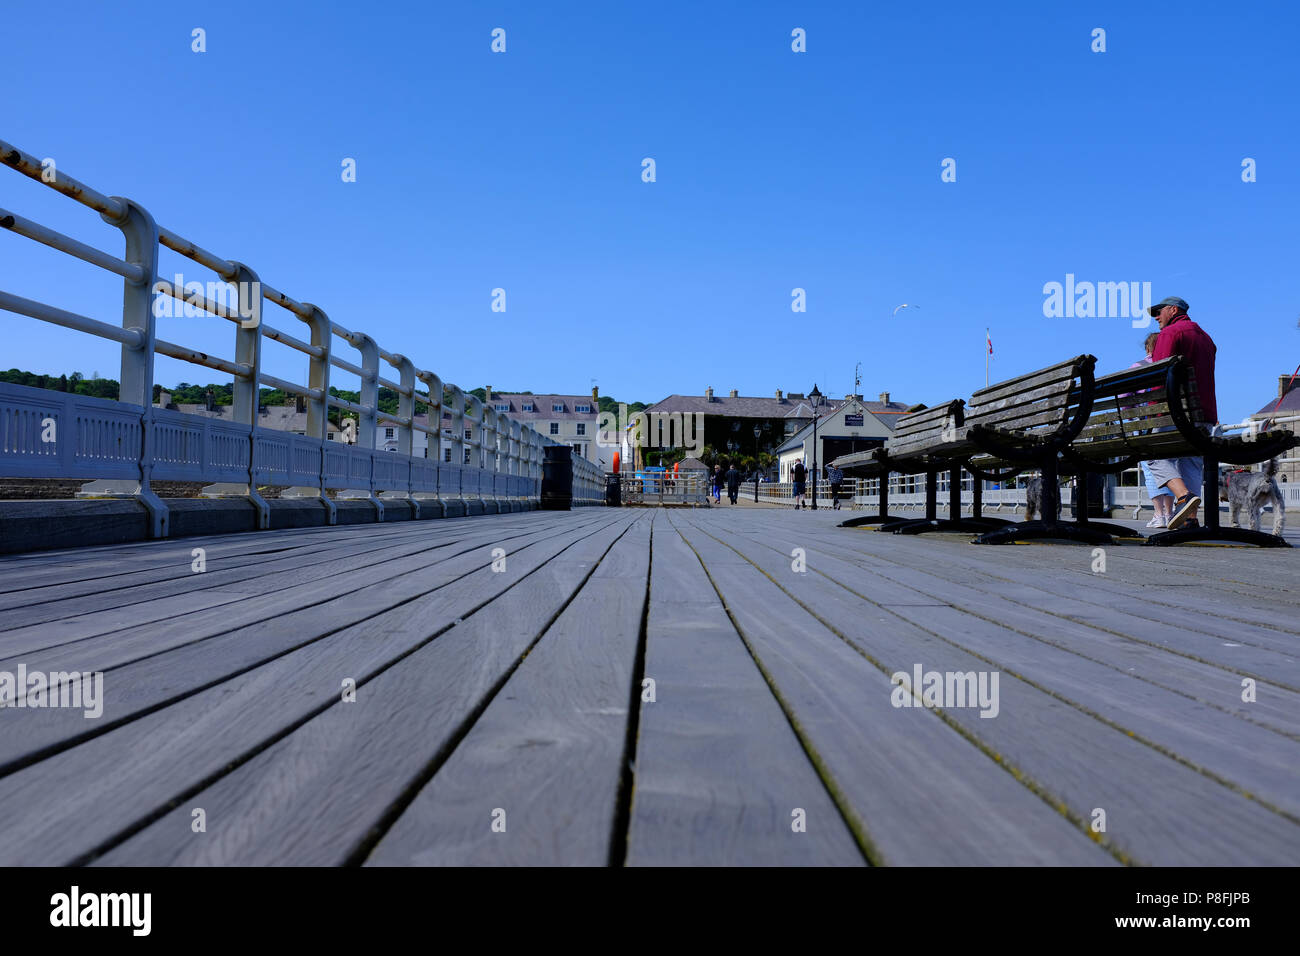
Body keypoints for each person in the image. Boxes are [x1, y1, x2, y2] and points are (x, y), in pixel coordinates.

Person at [1146, 296, 1217, 530]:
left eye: (1159, 312)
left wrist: (1155, 412)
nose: (1156, 317)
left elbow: (1159, 375)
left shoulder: (1170, 333)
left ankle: (1183, 497)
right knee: (1192, 462)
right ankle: (1190, 519)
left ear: (1173, 310)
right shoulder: (1207, 338)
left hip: (1178, 411)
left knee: (1153, 452)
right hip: (1204, 412)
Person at [1130, 331, 1174, 528]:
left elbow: (1125, 399)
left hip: (1148, 426)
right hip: (1173, 426)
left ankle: (1159, 514)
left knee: (1150, 469)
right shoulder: (1173, 366)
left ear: (1147, 348)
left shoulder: (1138, 367)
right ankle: (1171, 514)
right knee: (1171, 467)